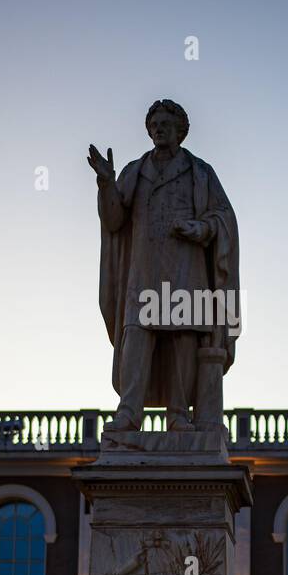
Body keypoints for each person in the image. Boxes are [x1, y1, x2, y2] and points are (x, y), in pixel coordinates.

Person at [88, 99, 240, 431]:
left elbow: (224, 217)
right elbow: (114, 220)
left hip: (187, 267)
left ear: (181, 131)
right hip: (143, 270)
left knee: (183, 338)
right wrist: (105, 184)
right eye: (154, 124)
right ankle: (129, 411)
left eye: (165, 125)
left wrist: (202, 228)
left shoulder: (200, 172)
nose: (159, 129)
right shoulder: (134, 171)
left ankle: (178, 413)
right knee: (136, 337)